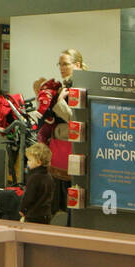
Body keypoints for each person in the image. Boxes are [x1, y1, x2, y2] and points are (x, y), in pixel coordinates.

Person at [34, 49, 85, 219]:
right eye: (60, 64)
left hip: (73, 149)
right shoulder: (65, 86)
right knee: (60, 195)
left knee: (70, 196)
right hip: (61, 149)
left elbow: (76, 119)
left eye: (65, 64)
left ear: (77, 65)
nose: (61, 68)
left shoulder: (81, 87)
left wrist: (59, 102)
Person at [19, 143, 57, 225]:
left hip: (33, 215)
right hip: (46, 214)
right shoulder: (49, 177)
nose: (27, 163)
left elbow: (29, 196)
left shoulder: (34, 178)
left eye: (29, 160)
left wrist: (23, 209)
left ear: (38, 162)